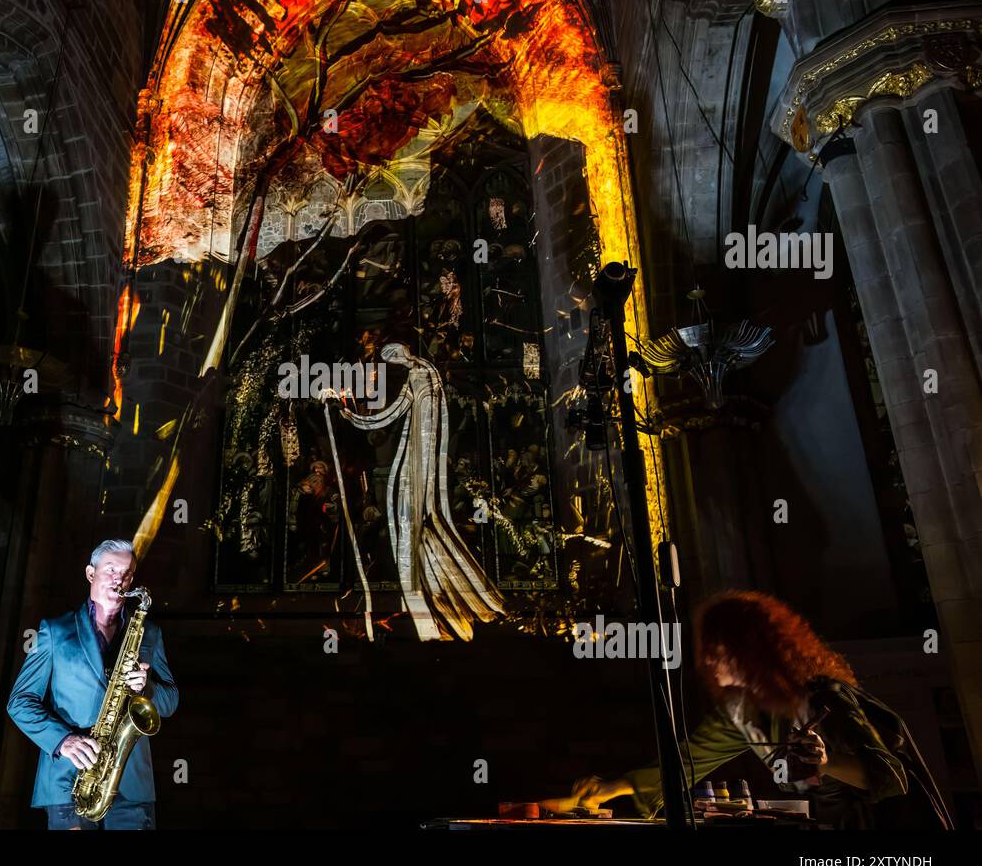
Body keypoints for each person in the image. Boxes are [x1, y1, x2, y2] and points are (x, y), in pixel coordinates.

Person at [541, 590, 951, 829]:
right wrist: (618, 786)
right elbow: (687, 759)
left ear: (758, 651)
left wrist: (824, 763)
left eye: (724, 652)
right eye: (711, 653)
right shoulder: (745, 713)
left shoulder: (823, 695)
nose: (714, 664)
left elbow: (889, 777)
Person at [332, 342, 504, 642]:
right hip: (418, 457)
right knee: (414, 528)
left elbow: (396, 414)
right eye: (391, 360)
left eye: (393, 357)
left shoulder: (424, 373)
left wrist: (351, 416)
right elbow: (393, 413)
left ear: (404, 352)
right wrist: (352, 417)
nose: (395, 362)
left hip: (423, 460)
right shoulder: (422, 374)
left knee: (421, 525)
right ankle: (433, 618)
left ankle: (437, 616)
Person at [8, 539, 179, 830]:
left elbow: (171, 701)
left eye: (127, 573)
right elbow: (20, 702)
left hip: (131, 784)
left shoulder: (149, 633)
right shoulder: (54, 630)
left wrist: (147, 689)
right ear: (90, 573)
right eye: (111, 569)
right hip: (68, 780)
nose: (120, 579)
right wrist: (64, 741)